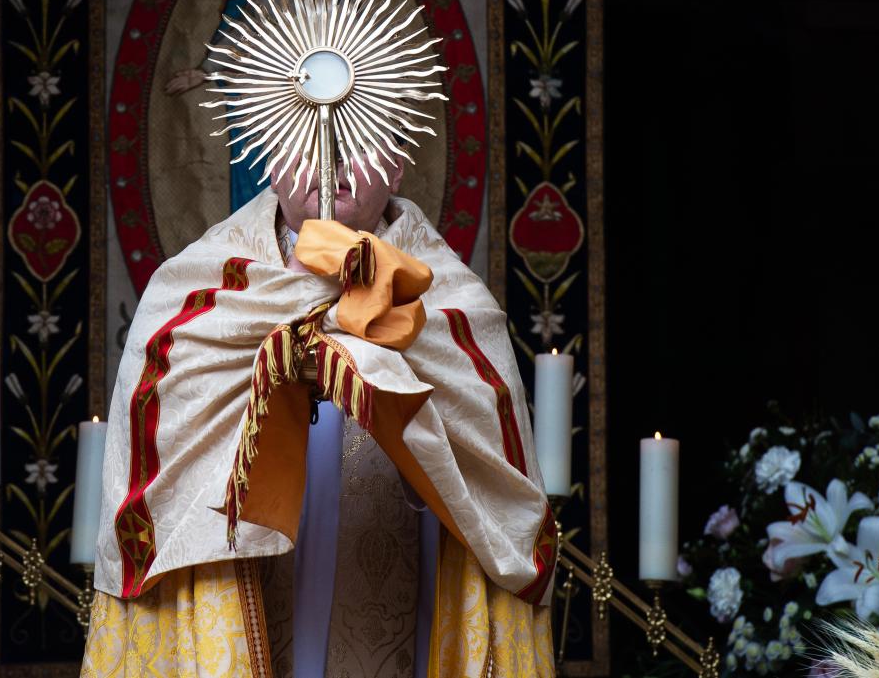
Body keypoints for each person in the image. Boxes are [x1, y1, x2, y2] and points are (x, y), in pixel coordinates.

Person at [81, 157, 557, 677]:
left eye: (357, 137)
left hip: (408, 600)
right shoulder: (196, 292)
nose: (329, 161)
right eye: (303, 139)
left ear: (398, 169)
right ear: (271, 162)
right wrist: (284, 331)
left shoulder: (454, 302)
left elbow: (498, 485)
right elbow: (155, 461)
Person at [164, 0, 346, 214]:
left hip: (314, 100)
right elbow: (232, 38)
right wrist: (203, 72)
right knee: (258, 189)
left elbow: (352, 38)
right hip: (258, 103)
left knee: (312, 188)